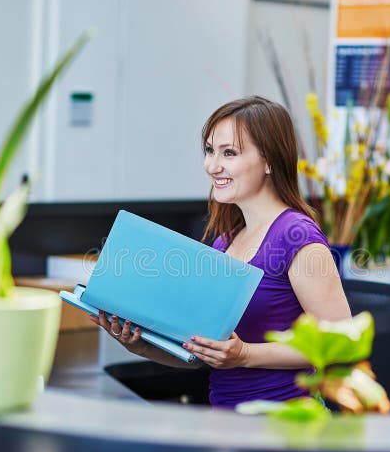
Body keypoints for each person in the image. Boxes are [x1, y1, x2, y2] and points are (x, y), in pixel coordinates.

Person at [90, 96, 351, 408]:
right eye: (210, 150)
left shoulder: (296, 235)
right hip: (227, 419)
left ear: (269, 160)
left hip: (285, 423)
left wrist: (246, 355)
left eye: (229, 153)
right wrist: (141, 347)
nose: (212, 166)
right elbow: (203, 356)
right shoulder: (225, 242)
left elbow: (341, 343)